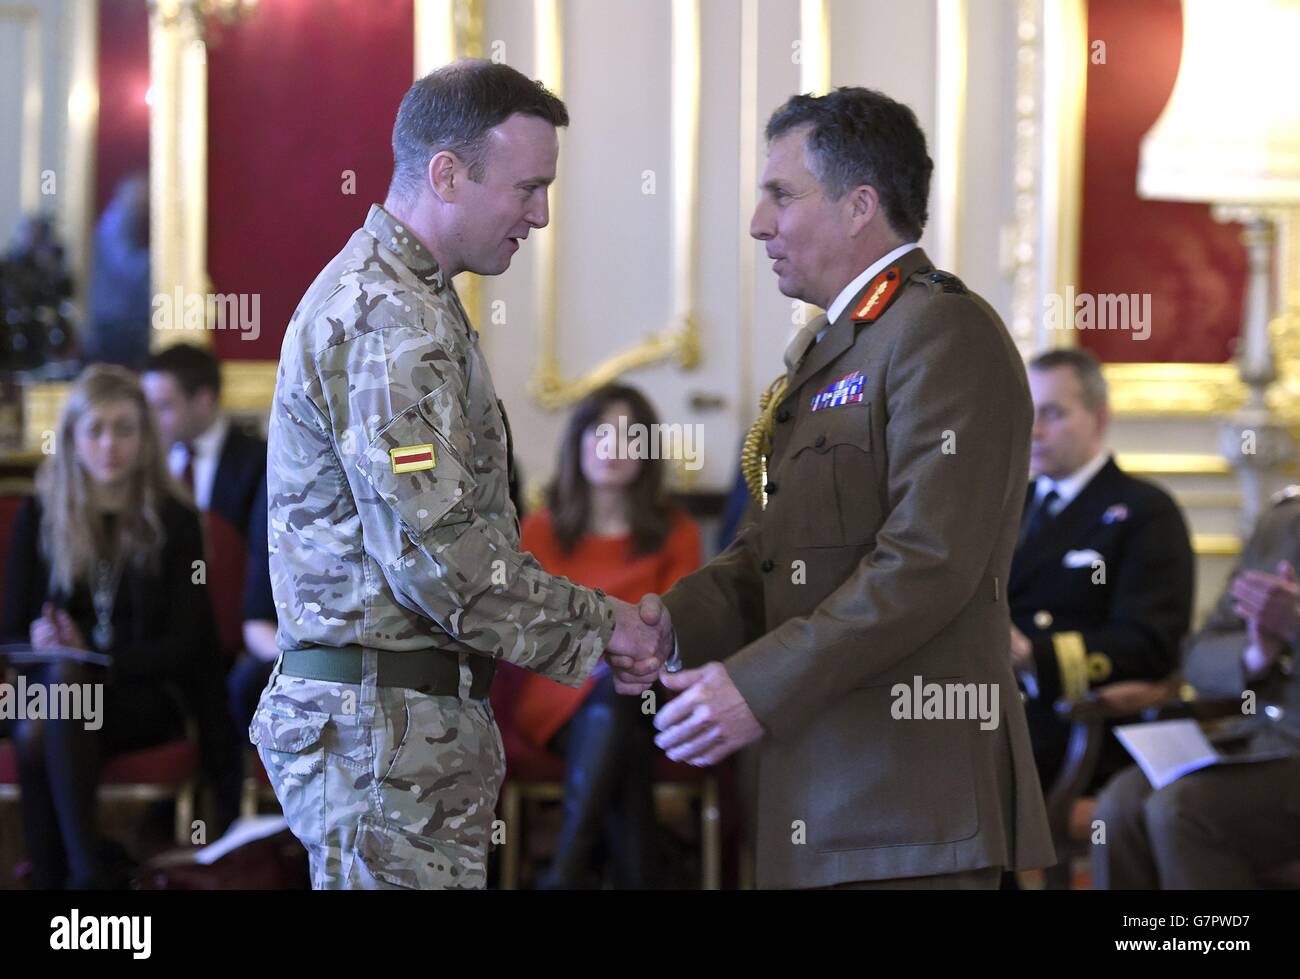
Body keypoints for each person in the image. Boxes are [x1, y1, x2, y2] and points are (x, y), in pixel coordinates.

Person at [253, 59, 668, 890]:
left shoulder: (415, 301)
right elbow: (442, 564)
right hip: (383, 742)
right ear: (446, 174)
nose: (541, 214)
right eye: (527, 187)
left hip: (403, 735)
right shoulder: (387, 319)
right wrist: (606, 629)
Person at [650, 87, 1055, 889]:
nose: (760, 223)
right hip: (828, 795)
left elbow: (927, 562)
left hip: (908, 810)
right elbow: (778, 552)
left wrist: (754, 685)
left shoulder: (943, 332)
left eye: (781, 194)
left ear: (860, 204)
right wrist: (667, 627)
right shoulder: (836, 346)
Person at [0, 365, 235, 888]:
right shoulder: (41, 513)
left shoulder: (174, 519)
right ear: (72, 437)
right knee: (52, 698)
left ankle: (63, 880)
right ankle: (85, 879)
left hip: (142, 697)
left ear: (145, 437)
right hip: (60, 697)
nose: (110, 445)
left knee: (41, 717)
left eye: (124, 429)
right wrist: (42, 645)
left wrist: (98, 659)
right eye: (96, 430)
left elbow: (187, 643)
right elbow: (10, 635)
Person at [513, 385, 701, 888]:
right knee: (623, 737)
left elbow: (679, 633)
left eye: (629, 436)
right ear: (577, 443)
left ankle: (566, 872)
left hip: (645, 695)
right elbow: (529, 631)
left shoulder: (676, 532)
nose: (613, 447)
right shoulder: (537, 531)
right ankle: (635, 874)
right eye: (601, 432)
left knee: (621, 703)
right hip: (556, 696)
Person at [1091, 492, 1300, 888]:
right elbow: (1199, 655)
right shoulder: (1284, 524)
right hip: (1263, 740)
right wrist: (1255, 654)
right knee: (1120, 804)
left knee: (1183, 810)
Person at [1010, 348, 1193, 788]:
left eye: (1053, 414)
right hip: (995, 705)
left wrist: (1034, 656)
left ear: (1099, 417)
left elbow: (1149, 645)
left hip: (1081, 723)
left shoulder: (1144, 510)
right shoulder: (1010, 503)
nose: (1034, 430)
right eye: (1029, 413)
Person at [141, 344, 276, 734]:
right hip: (164, 636)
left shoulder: (261, 461)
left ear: (203, 401)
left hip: (238, 633)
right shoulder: (144, 468)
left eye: (163, 406)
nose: (151, 420)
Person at [83, 174, 150, 370]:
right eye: (142, 194)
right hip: (116, 322)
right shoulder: (116, 223)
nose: (146, 201)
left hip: (119, 321)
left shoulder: (123, 222)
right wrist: (163, 256)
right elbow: (128, 267)